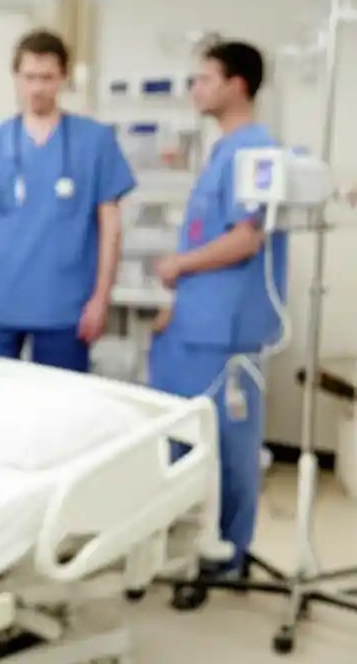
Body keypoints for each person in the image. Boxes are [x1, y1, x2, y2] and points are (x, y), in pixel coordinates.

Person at [149, 41, 285, 575]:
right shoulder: (224, 151)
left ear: (237, 85)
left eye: (204, 78)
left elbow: (245, 240)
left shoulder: (256, 152)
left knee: (228, 445)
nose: (194, 89)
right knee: (186, 440)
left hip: (228, 330)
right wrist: (176, 304)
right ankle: (192, 545)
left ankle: (227, 555)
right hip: (199, 322)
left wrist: (179, 265)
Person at [0, 29, 135, 375]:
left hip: (65, 307)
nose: (38, 88)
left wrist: (101, 298)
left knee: (61, 413)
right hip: (0, 304)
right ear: (16, 78)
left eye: (47, 78)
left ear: (63, 79)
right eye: (29, 78)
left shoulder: (94, 141)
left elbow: (110, 227)